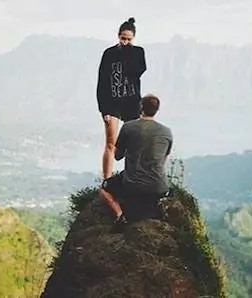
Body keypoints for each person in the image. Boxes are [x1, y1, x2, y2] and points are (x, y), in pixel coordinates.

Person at [99, 94, 173, 229]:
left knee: (105, 190)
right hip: (159, 186)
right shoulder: (167, 132)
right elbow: (163, 160)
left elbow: (117, 155)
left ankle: (120, 215)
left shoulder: (128, 127)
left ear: (141, 107)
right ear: (157, 110)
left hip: (132, 185)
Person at [96, 17, 147, 180]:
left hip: (131, 102)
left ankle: (131, 176)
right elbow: (102, 81)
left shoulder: (138, 52)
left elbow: (139, 71)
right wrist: (103, 108)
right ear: (118, 36)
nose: (125, 42)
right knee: (111, 143)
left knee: (133, 144)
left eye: (128, 39)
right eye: (122, 38)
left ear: (134, 39)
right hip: (112, 104)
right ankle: (107, 179)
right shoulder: (109, 54)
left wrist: (128, 53)